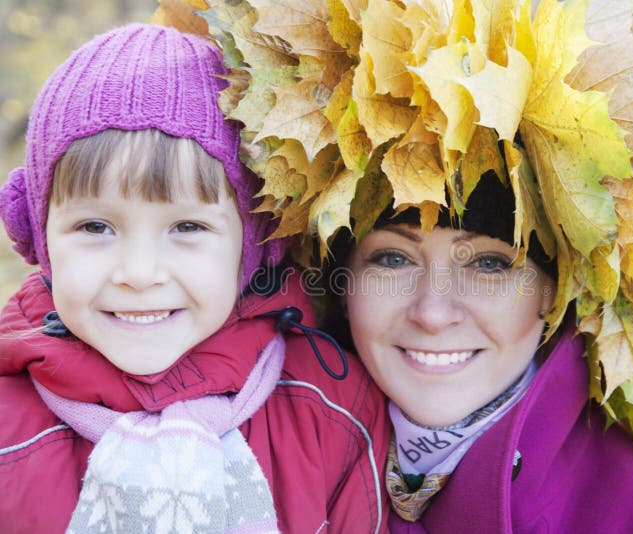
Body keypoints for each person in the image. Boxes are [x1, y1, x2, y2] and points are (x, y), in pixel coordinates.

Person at [0, 24, 389, 533]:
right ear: (40, 234)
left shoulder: (333, 409)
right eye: (95, 227)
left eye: (187, 227)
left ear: (253, 247)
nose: (138, 274)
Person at [320, 175, 633, 532]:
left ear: (555, 293)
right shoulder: (271, 453)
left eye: (488, 264)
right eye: (393, 259)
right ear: (344, 287)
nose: (432, 313)